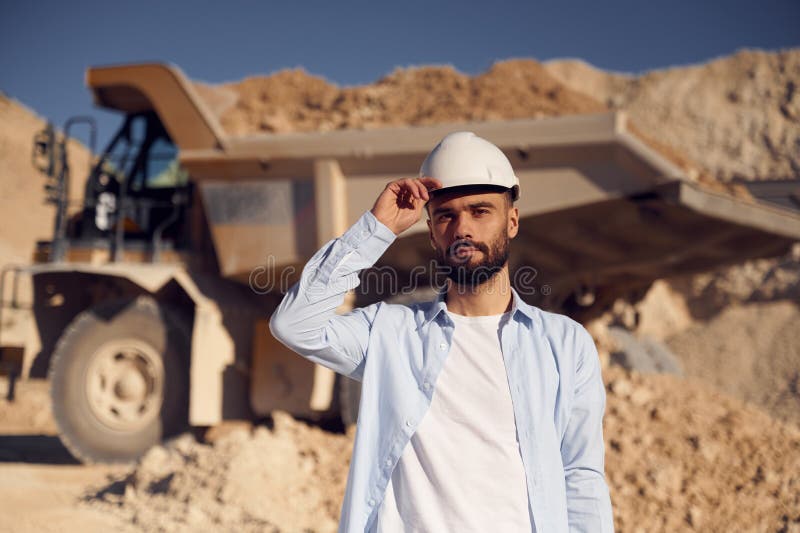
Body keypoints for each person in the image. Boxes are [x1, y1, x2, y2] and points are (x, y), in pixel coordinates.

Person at [269, 131, 614, 532]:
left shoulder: (564, 344)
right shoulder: (390, 332)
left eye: (480, 211)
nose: (462, 229)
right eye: (447, 216)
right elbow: (294, 324)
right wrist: (376, 228)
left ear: (512, 221)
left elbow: (581, 475)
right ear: (432, 231)